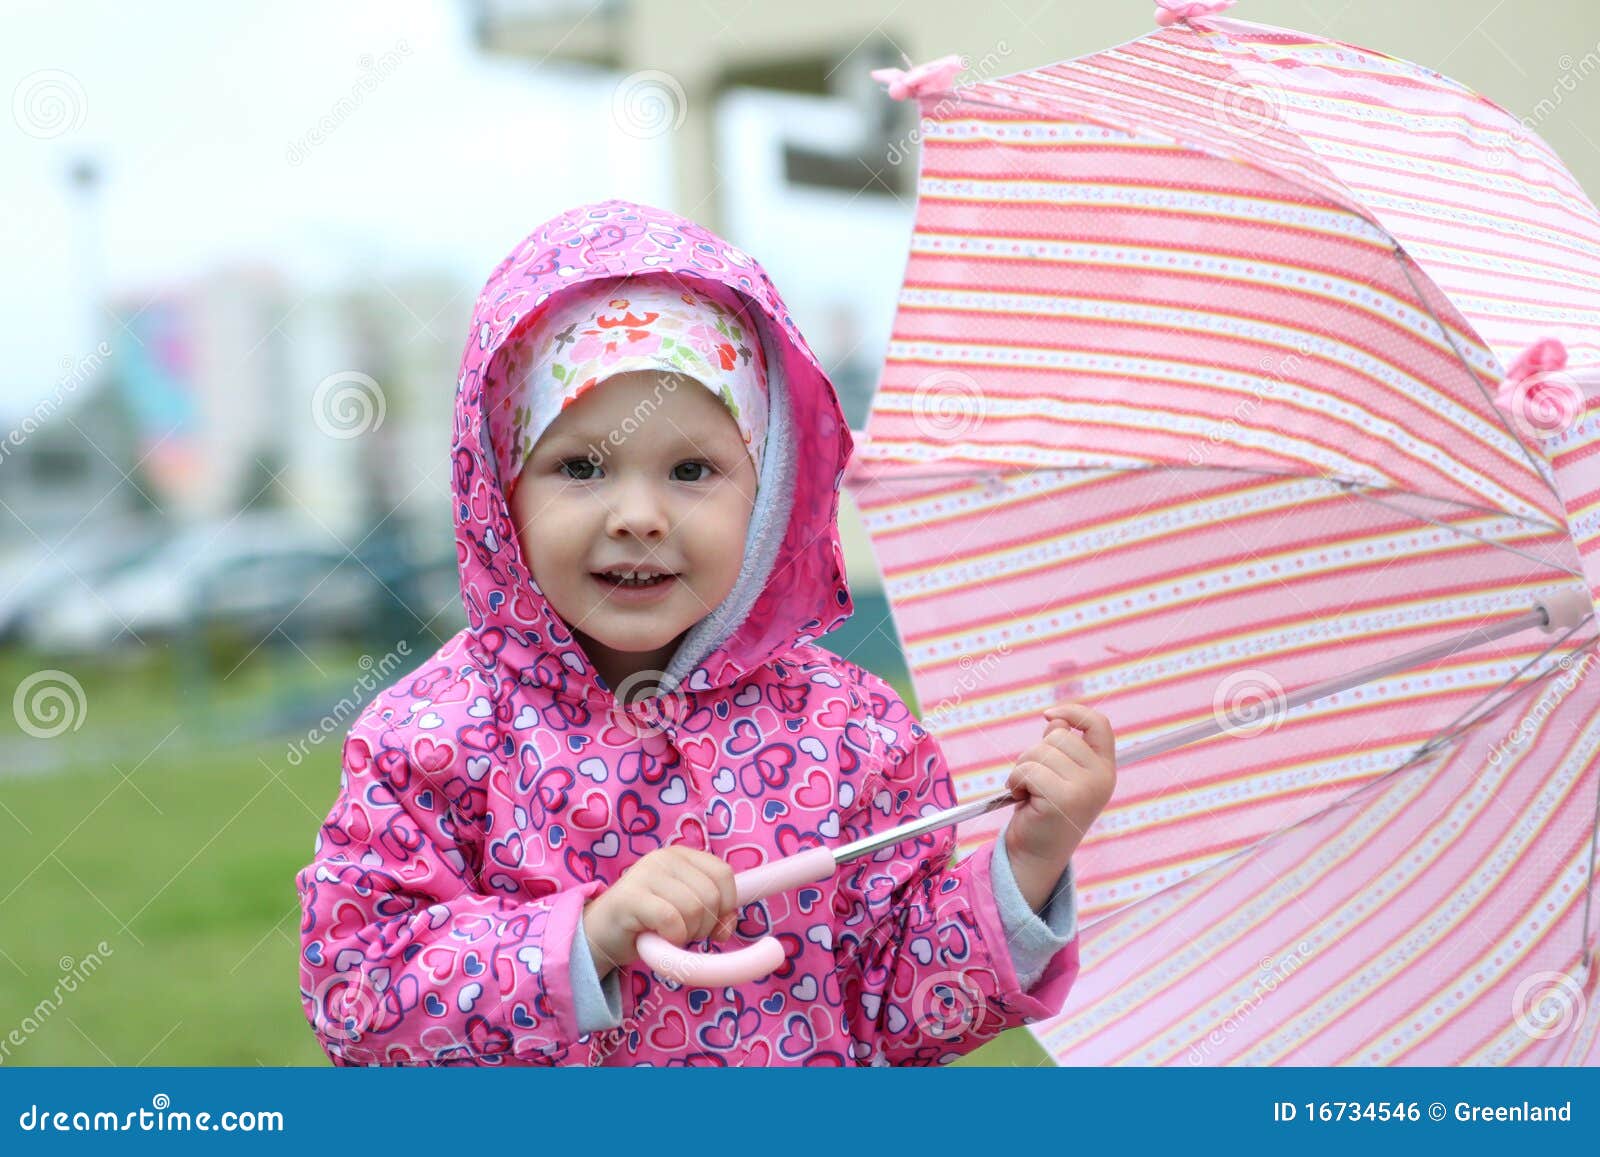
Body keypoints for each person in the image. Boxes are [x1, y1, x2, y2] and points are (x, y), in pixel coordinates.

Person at [295, 199, 1117, 1066]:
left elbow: (900, 1009)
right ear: (502, 487)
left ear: (765, 496)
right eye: (581, 466)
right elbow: (359, 1001)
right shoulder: (432, 739)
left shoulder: (854, 737)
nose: (639, 515)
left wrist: (1027, 862)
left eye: (692, 470)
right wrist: (586, 938)